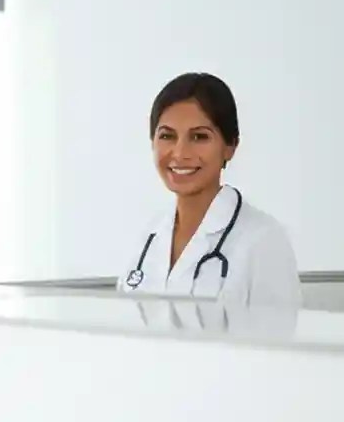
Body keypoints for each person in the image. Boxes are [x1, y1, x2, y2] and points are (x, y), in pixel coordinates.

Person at [117, 72, 302, 307]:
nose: (180, 153)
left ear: (230, 146)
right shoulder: (149, 237)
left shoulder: (263, 241)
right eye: (167, 136)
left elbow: (280, 339)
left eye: (199, 137)